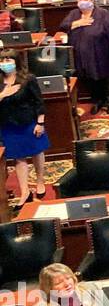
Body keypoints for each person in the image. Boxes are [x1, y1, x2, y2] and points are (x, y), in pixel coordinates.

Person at [0, 50, 50, 204]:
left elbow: (38, 102)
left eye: (8, 60)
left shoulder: (28, 79)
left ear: (16, 62)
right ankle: (25, 192)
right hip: (8, 125)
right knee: (18, 157)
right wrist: (3, 94)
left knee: (36, 152)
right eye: (2, 60)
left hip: (29, 122)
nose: (5, 63)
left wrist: (40, 123)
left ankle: (40, 181)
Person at [60, 0, 109, 114]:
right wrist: (77, 23)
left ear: (92, 2)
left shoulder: (103, 14)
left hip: (101, 52)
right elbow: (63, 26)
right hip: (82, 55)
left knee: (107, 78)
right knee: (89, 79)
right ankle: (97, 101)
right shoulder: (74, 14)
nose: (82, 1)